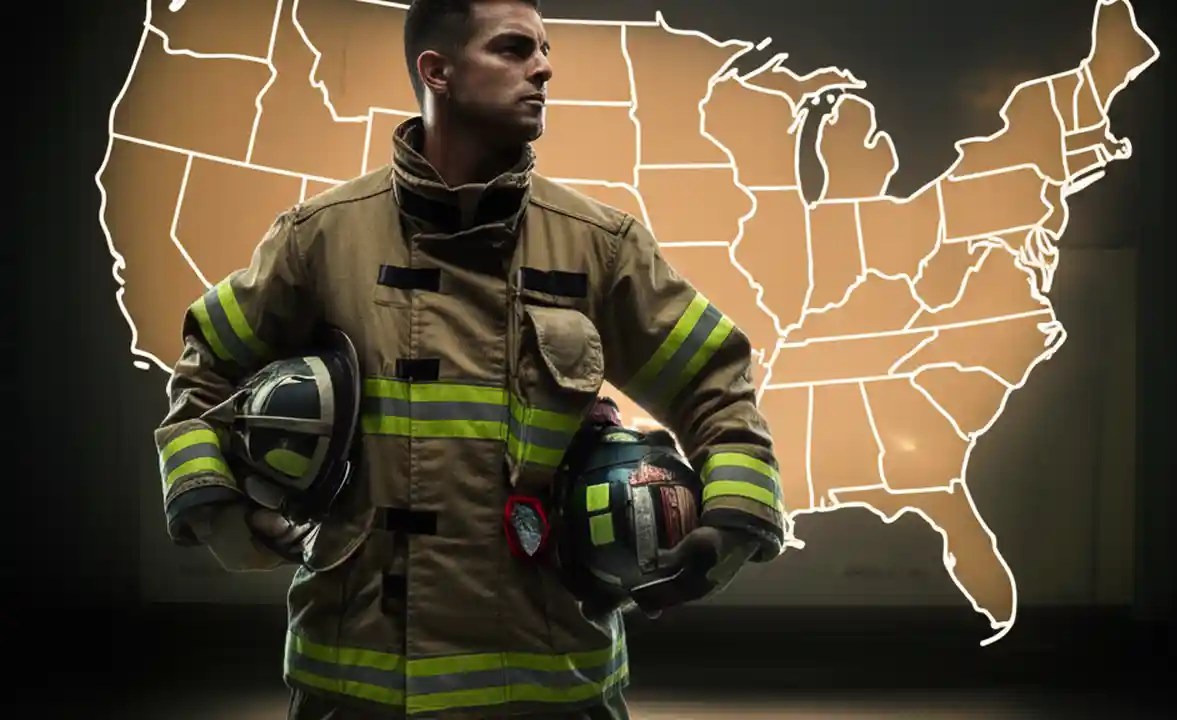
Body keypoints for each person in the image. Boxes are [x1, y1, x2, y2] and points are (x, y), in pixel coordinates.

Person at [151, 0, 788, 717]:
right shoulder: (318, 240)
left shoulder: (599, 247)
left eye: (545, 50)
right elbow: (205, 372)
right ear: (438, 71)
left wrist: (731, 523)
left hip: (551, 688)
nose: (544, 67)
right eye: (514, 49)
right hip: (357, 687)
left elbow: (715, 381)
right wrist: (220, 512)